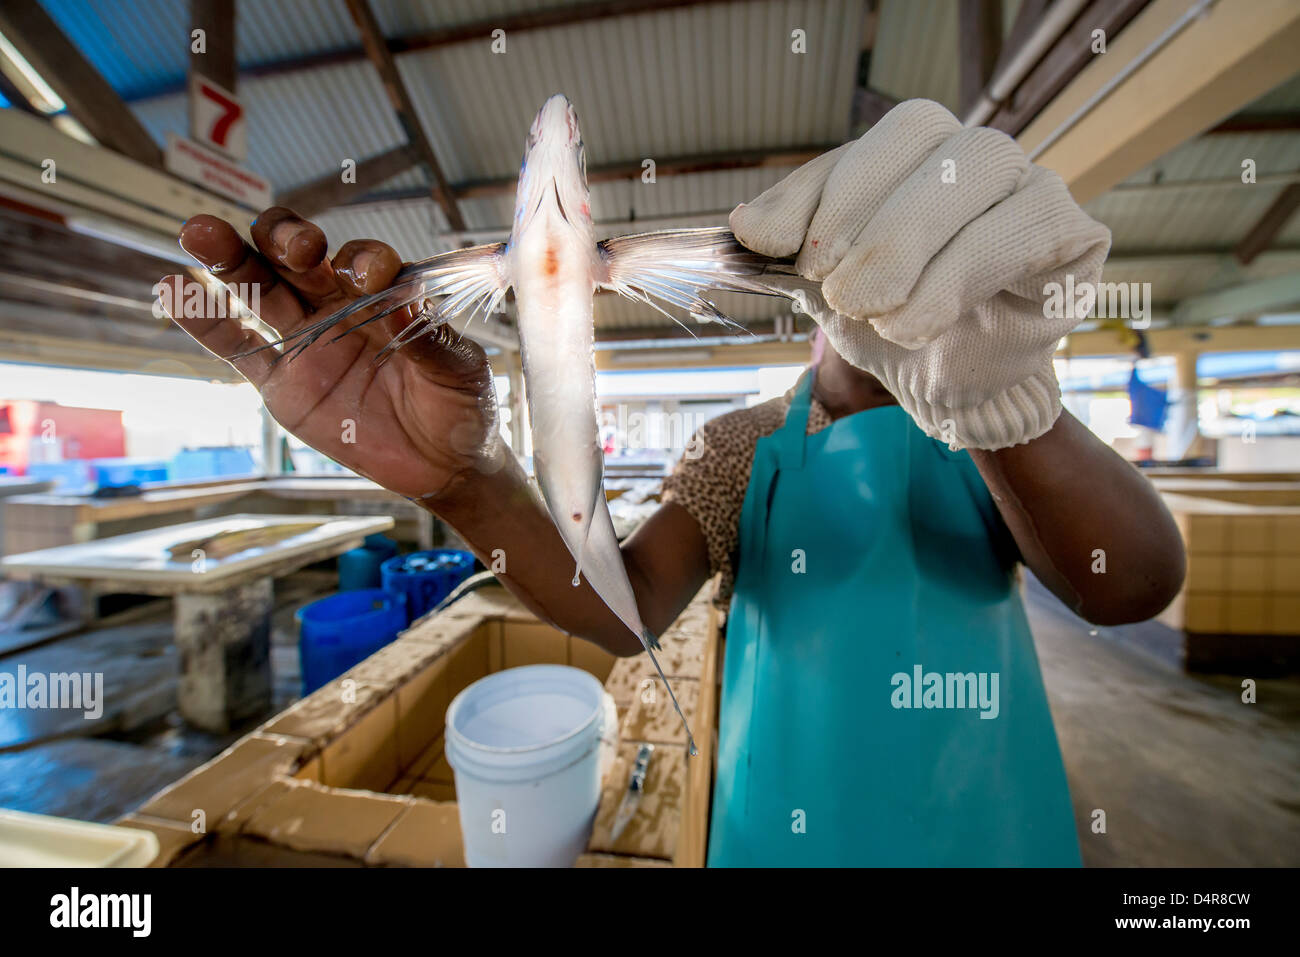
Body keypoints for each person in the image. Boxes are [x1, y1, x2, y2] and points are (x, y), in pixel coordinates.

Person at [164, 100, 1185, 866]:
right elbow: (628, 610)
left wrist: (1006, 398)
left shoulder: (996, 422)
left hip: (990, 826)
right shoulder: (739, 446)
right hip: (786, 821)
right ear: (804, 273)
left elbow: (1129, 584)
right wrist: (465, 486)